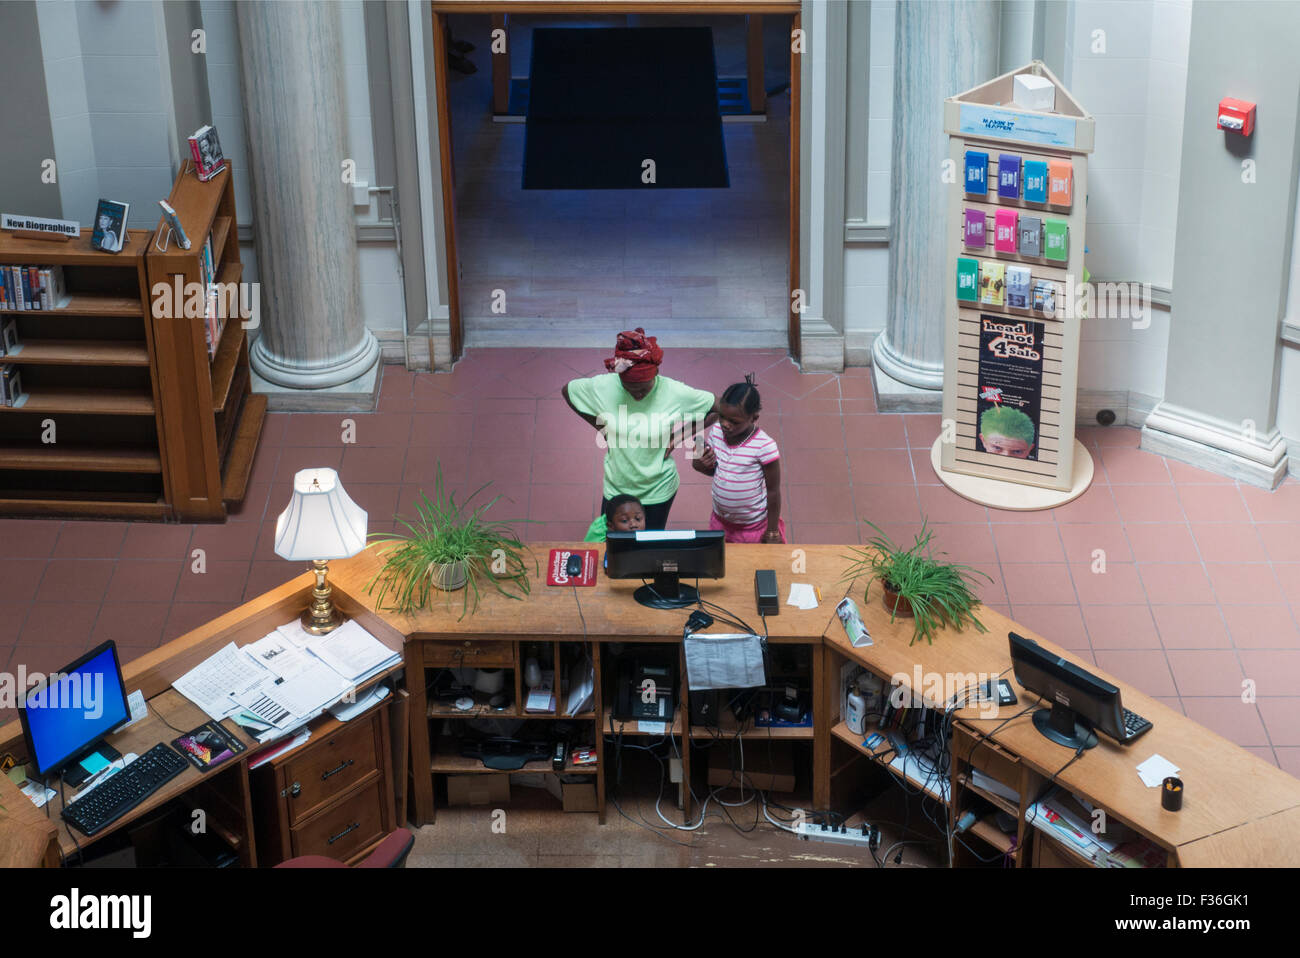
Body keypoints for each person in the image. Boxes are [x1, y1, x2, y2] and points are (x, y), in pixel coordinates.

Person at [562, 328, 716, 531]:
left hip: (659, 489)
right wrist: (601, 427)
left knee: (649, 546)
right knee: (613, 543)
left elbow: (721, 408)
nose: (637, 395)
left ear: (656, 374)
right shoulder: (602, 386)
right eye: (629, 388)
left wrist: (680, 436)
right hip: (616, 488)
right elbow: (568, 391)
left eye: (644, 388)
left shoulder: (675, 392)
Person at [692, 376, 785, 543]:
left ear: (754, 418)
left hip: (753, 527)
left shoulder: (765, 446)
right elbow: (713, 470)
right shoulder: (716, 433)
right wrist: (699, 461)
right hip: (721, 522)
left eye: (734, 422)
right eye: (722, 417)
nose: (725, 424)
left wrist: (772, 531)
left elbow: (773, 491)